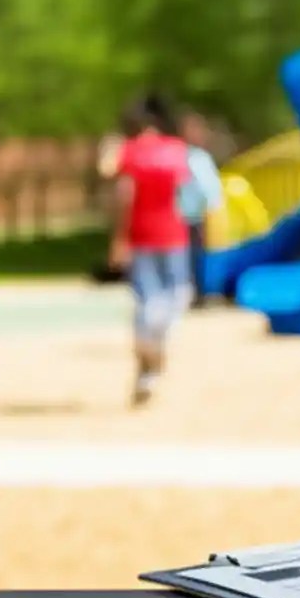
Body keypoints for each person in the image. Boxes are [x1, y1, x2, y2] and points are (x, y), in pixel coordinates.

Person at [109, 96, 192, 406]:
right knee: (178, 293)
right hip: (173, 234)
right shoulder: (176, 151)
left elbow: (124, 196)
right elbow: (185, 197)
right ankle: (159, 340)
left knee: (147, 297)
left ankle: (147, 351)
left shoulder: (129, 153)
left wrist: (119, 238)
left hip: (141, 235)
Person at [178, 112, 224, 308]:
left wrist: (214, 206)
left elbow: (210, 187)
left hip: (199, 214)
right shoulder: (182, 156)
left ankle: (202, 291)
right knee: (187, 255)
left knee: (199, 254)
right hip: (183, 214)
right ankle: (193, 292)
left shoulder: (201, 157)